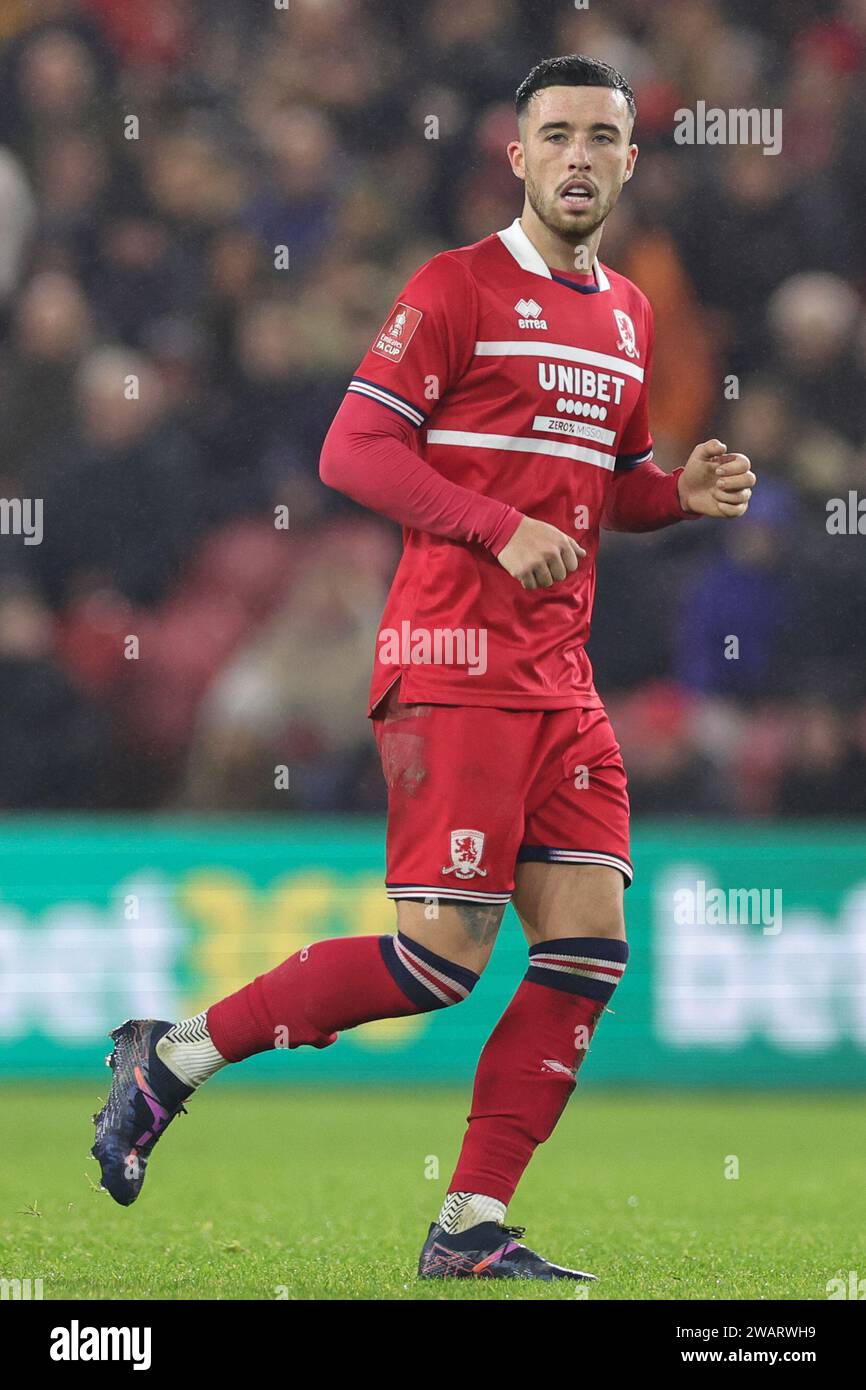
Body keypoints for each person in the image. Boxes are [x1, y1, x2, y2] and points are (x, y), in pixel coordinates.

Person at [92, 54, 755, 1283]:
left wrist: (674, 496)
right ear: (514, 154)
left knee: (587, 947)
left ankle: (467, 1225)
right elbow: (353, 450)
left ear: (626, 160)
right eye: (552, 133)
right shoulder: (453, 287)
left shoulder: (625, 313)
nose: (575, 156)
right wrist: (494, 527)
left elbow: (598, 494)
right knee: (435, 963)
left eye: (599, 137)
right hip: (452, 667)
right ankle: (170, 1055)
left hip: (560, 684)